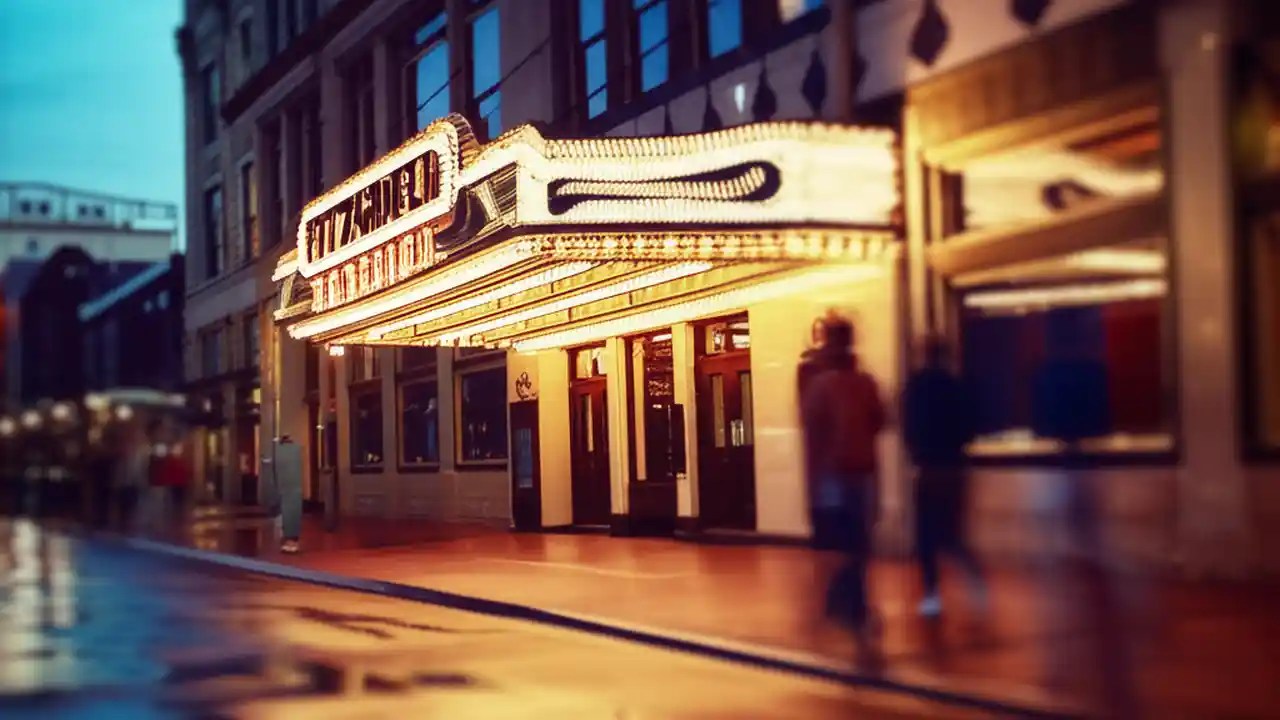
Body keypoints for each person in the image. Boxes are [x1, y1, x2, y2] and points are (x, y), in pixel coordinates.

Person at [799, 314, 886, 662]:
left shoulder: (821, 384)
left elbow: (813, 434)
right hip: (860, 473)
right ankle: (851, 609)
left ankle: (843, 607)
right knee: (856, 547)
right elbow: (879, 421)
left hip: (834, 476)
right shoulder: (864, 382)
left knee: (841, 548)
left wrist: (813, 485)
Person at [902, 335, 985, 617]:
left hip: (927, 467)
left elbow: (909, 427)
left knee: (925, 535)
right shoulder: (956, 385)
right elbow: (969, 426)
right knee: (952, 534)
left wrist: (916, 453)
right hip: (953, 466)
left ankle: (931, 594)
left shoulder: (916, 386)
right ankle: (975, 582)